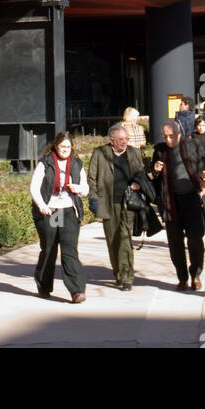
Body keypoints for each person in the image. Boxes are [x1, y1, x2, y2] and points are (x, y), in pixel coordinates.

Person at [153, 120, 205, 290]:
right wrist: (155, 170)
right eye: (165, 136)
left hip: (192, 198)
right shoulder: (160, 150)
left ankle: (195, 274)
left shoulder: (193, 145)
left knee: (195, 239)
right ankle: (182, 277)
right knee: (175, 244)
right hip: (171, 202)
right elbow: (154, 179)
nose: (168, 140)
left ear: (179, 134)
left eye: (171, 136)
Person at [29, 131, 87, 302]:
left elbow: (86, 188)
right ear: (55, 146)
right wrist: (42, 206)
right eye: (62, 146)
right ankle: (44, 285)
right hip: (52, 211)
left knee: (69, 250)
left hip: (68, 210)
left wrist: (78, 189)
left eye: (68, 147)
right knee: (49, 248)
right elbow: (34, 187)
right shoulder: (45, 163)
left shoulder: (76, 164)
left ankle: (77, 290)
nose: (65, 150)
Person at [88, 123, 145, 290]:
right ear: (112, 140)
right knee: (113, 240)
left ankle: (127, 277)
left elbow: (141, 173)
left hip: (128, 202)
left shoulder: (134, 153)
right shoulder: (100, 153)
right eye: (120, 139)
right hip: (107, 202)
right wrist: (93, 198)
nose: (124, 142)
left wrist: (137, 183)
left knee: (125, 239)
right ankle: (118, 272)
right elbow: (91, 178)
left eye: (126, 139)